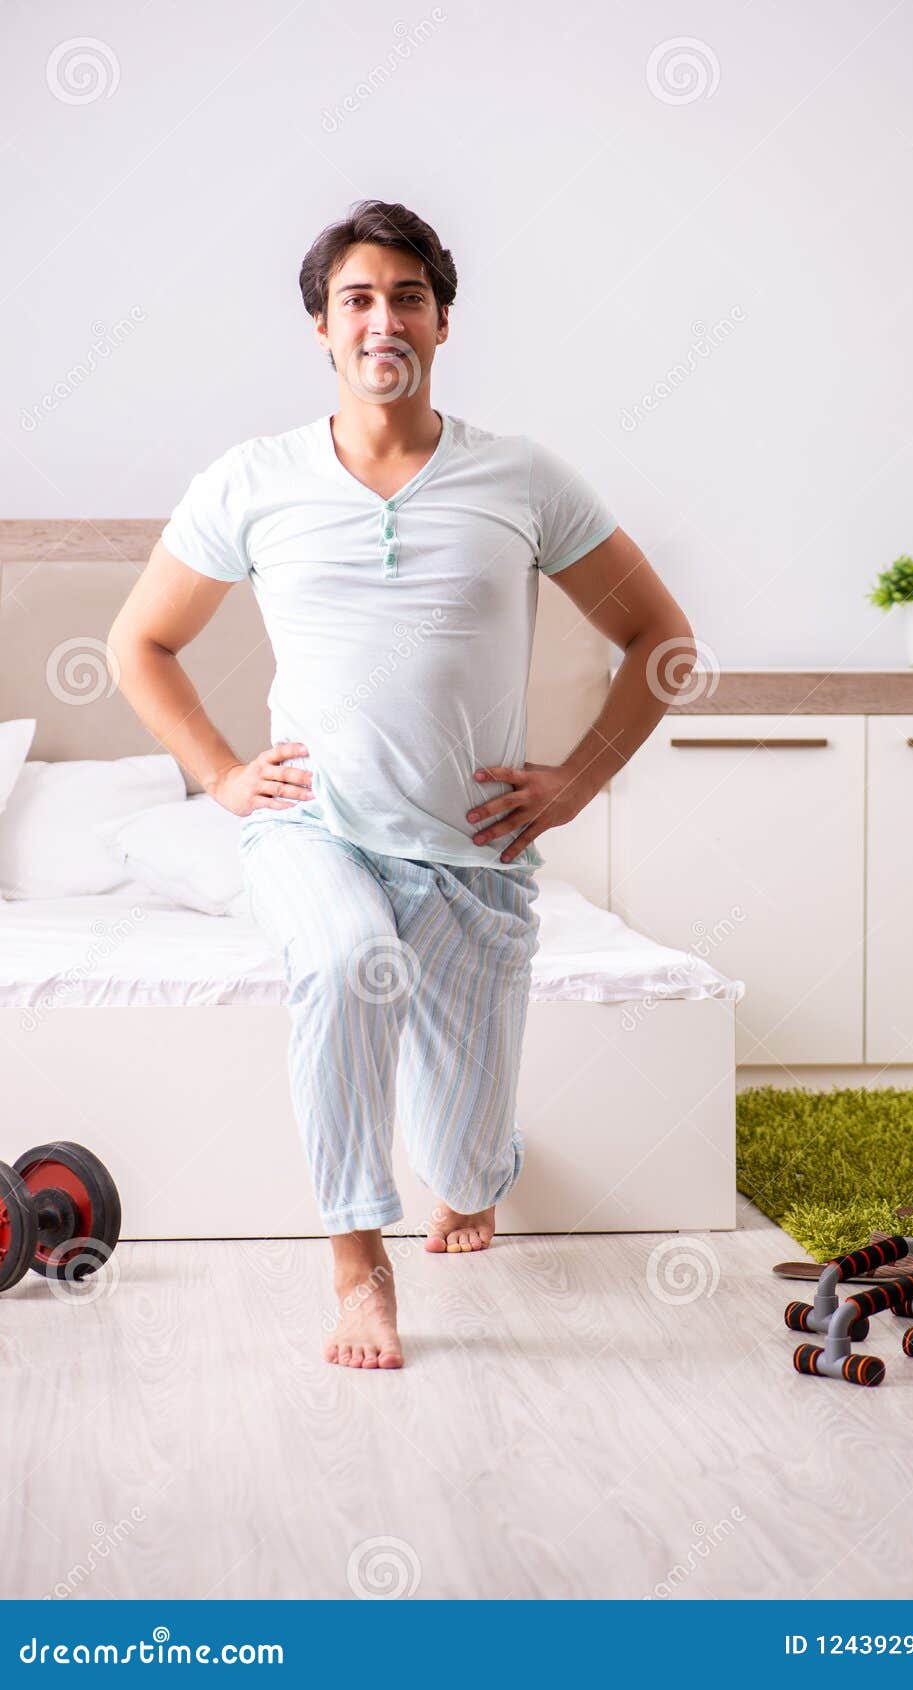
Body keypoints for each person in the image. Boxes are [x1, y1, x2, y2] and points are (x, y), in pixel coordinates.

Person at [108, 199, 697, 1370]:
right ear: (322, 330)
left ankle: (477, 1171)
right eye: (358, 299)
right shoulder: (254, 480)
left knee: (467, 1154)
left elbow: (663, 642)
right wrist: (223, 775)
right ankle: (358, 1271)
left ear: (442, 321)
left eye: (408, 296)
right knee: (338, 959)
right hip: (312, 832)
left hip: (472, 858)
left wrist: (577, 782)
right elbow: (139, 643)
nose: (384, 318)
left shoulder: (521, 477)